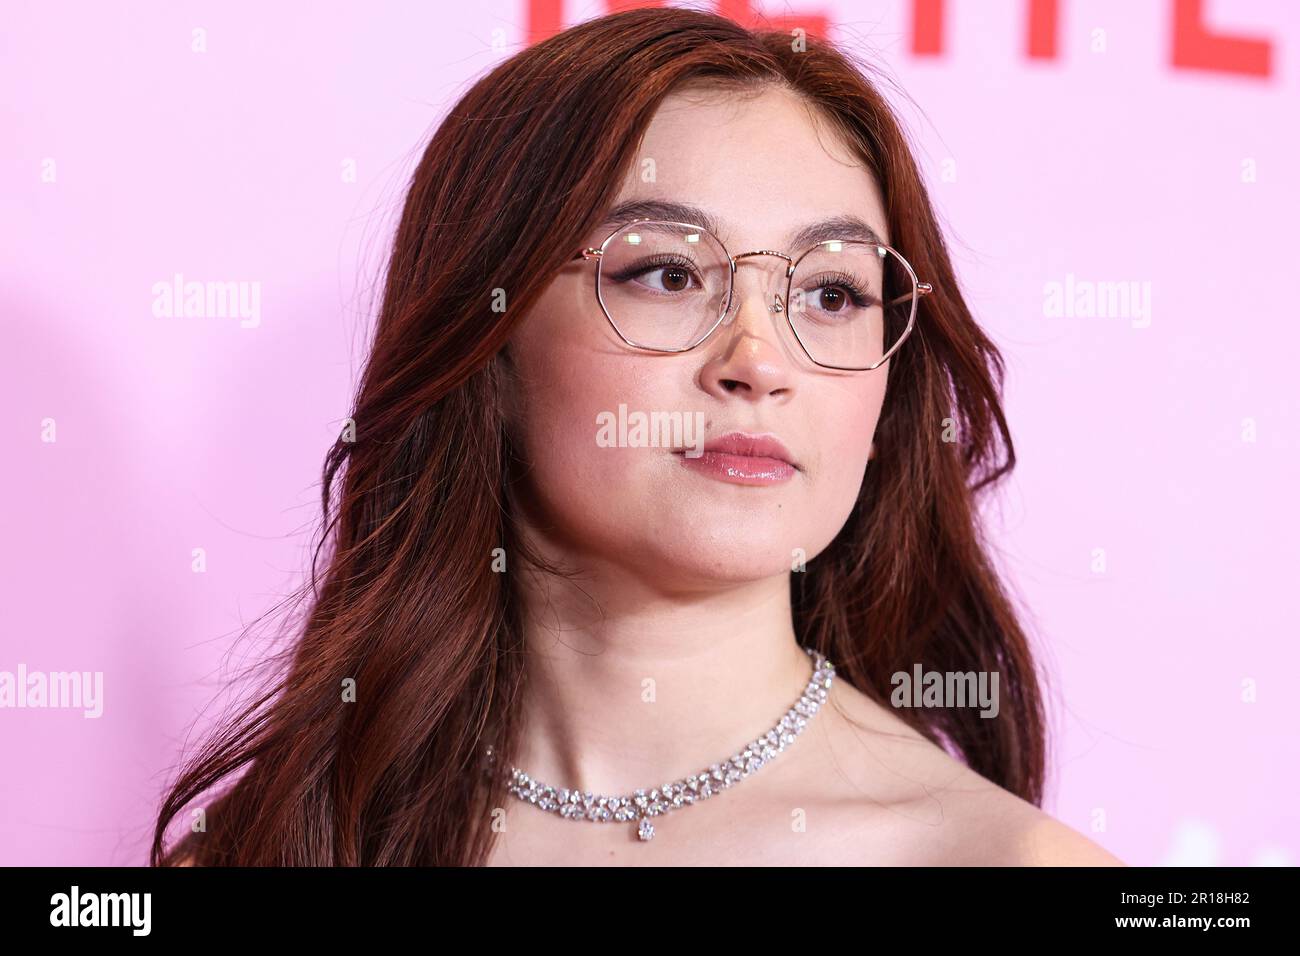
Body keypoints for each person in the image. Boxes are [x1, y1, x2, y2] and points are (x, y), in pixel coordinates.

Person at [155, 6, 1123, 867]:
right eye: (666, 273)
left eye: (831, 294)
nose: (759, 360)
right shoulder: (284, 839)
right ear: (487, 338)